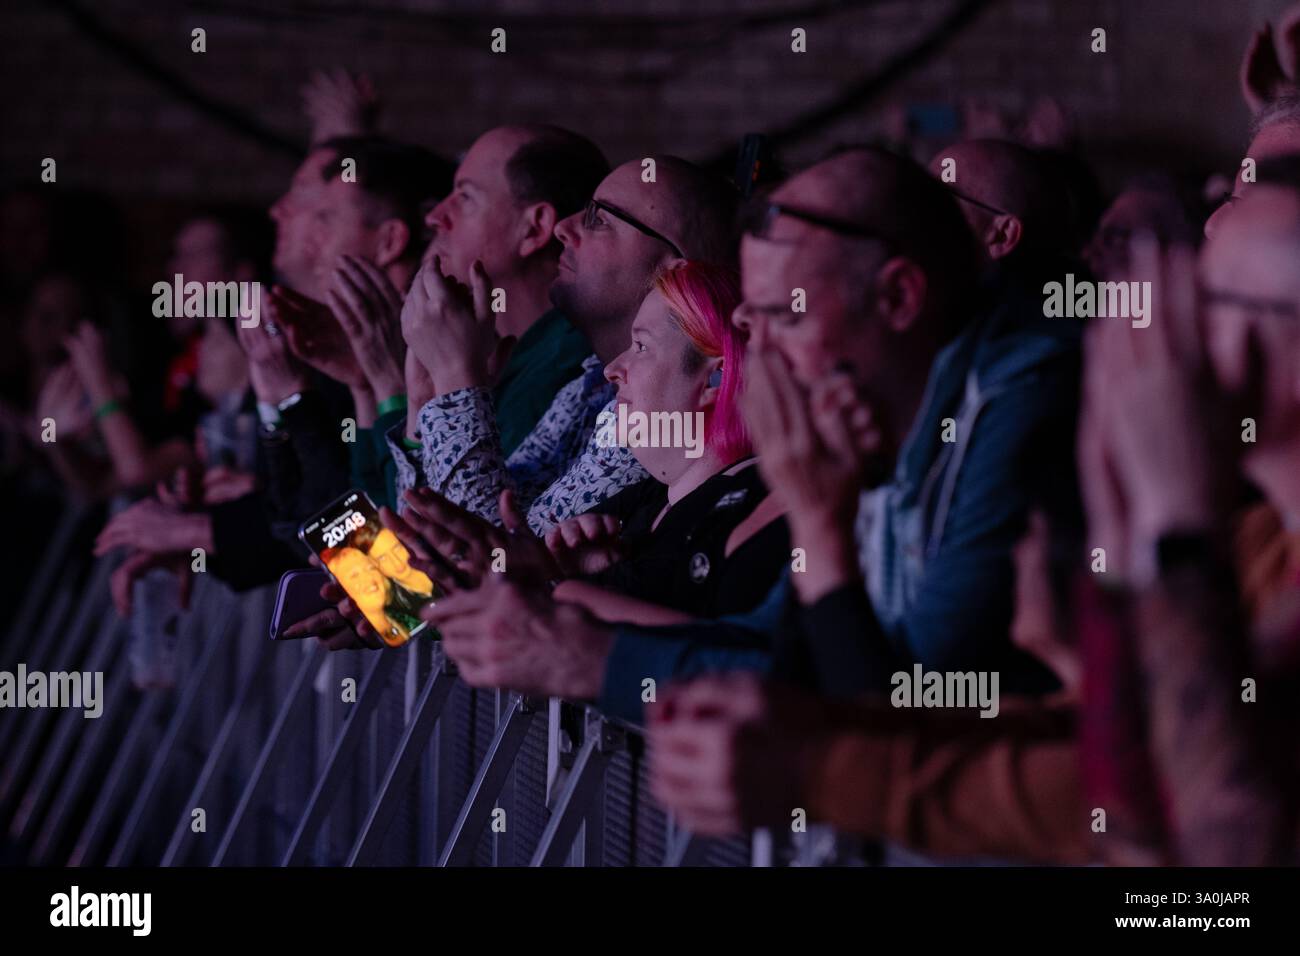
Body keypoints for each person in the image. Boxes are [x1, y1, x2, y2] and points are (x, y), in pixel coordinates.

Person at [419, 145, 1081, 720]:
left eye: (783, 317)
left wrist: (819, 521)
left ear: (900, 298)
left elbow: (887, 709)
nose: (754, 353)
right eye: (749, 321)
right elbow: (778, 650)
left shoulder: (1023, 404)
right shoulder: (882, 410)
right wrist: (573, 628)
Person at [399, 155, 739, 533]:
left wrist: (455, 378)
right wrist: (423, 400)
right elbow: (427, 555)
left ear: (676, 273)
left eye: (599, 219)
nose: (563, 227)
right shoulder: (588, 383)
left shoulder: (661, 415)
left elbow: (490, 559)